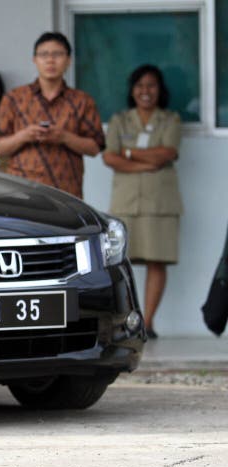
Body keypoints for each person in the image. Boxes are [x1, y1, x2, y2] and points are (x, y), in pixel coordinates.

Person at [102, 65, 181, 339]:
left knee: (156, 261)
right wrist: (143, 163)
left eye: (152, 86)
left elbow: (167, 153)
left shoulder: (170, 119)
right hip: (127, 201)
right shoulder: (120, 119)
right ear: (132, 90)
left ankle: (149, 322)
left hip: (160, 203)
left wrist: (130, 154)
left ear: (160, 90)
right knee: (121, 262)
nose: (146, 91)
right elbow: (110, 157)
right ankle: (126, 320)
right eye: (140, 86)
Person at [0, 31, 104, 198]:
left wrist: (64, 137)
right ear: (35, 60)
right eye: (44, 54)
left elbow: (95, 148)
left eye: (57, 54)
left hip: (67, 191)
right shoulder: (14, 98)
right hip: (22, 190)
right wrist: (24, 136)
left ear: (68, 60)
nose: (50, 60)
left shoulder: (82, 100)